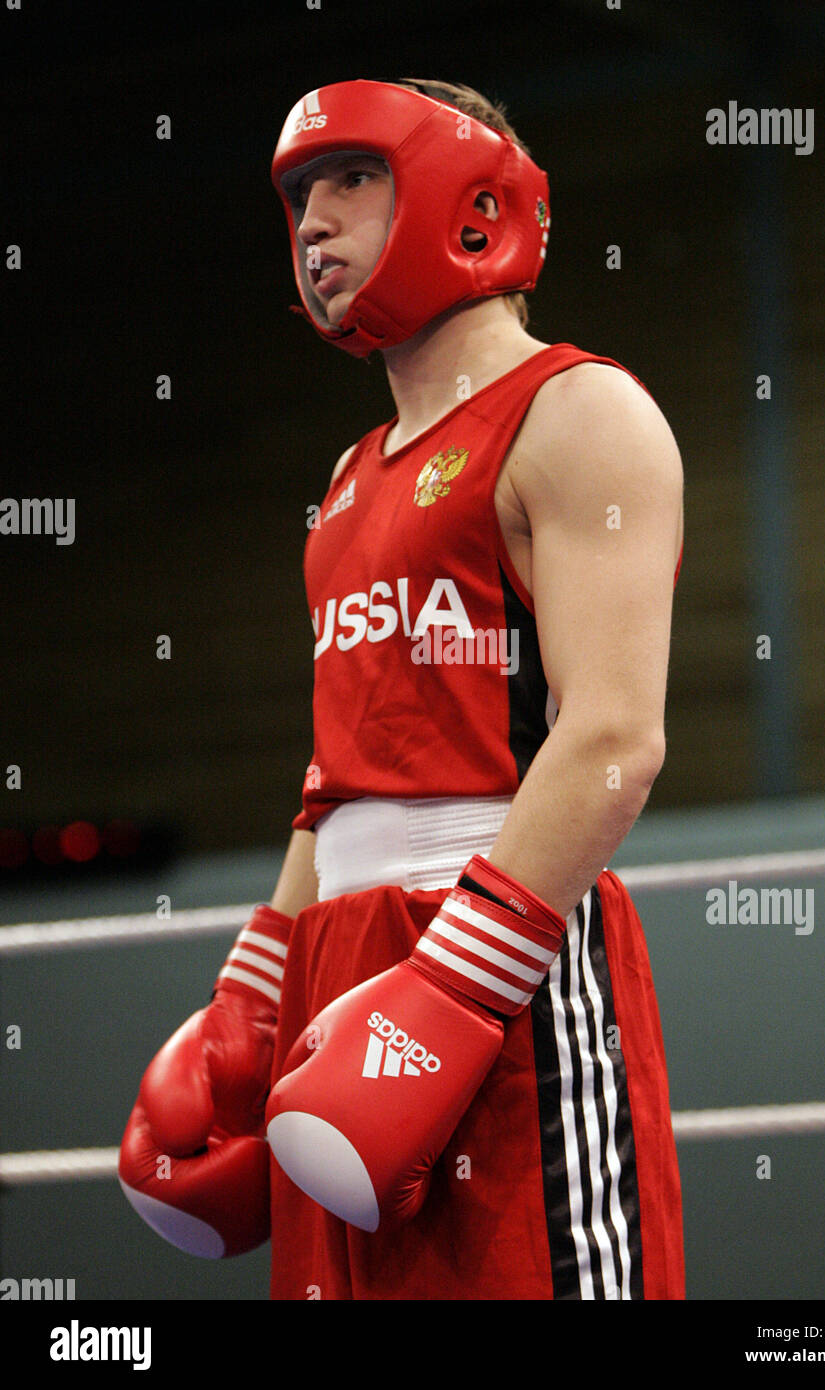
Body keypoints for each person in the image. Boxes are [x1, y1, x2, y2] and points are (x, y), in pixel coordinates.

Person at [120, 77, 685, 1301]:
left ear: (467, 195)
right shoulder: (346, 479)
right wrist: (255, 989)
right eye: (298, 195)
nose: (313, 221)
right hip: (341, 961)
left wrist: (451, 985)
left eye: (352, 178)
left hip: (503, 948)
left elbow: (611, 738)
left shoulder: (577, 411)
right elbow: (336, 778)